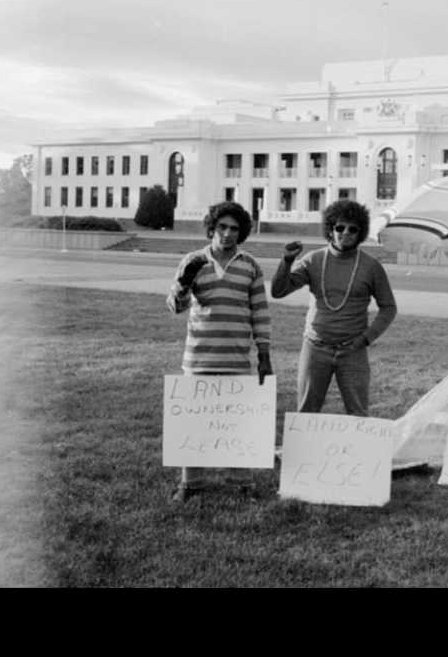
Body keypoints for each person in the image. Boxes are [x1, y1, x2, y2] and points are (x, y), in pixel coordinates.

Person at [167, 201, 273, 507]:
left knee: (237, 423)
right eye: (222, 228)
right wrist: (184, 282)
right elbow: (176, 307)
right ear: (212, 229)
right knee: (194, 424)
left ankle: (243, 483)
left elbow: (260, 312)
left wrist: (264, 354)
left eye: (234, 229)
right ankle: (191, 484)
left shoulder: (250, 265)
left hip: (237, 358)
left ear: (242, 233)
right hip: (199, 357)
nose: (227, 234)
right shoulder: (192, 260)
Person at [271, 199, 396, 416]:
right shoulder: (313, 260)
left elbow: (388, 307)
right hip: (315, 346)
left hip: (353, 350)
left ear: (360, 233)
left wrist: (366, 338)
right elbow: (278, 291)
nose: (345, 233)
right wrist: (287, 262)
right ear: (330, 229)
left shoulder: (371, 267)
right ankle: (304, 450)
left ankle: (357, 450)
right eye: (339, 227)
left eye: (352, 229)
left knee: (358, 413)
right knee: (306, 412)